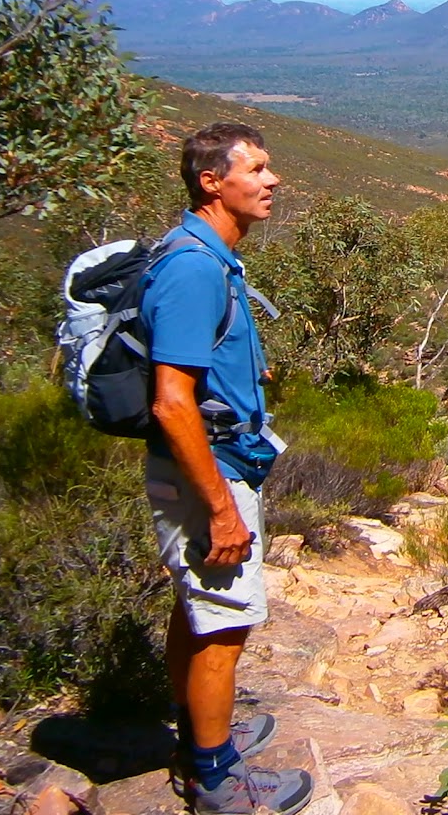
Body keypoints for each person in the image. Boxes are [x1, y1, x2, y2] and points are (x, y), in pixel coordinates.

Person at [140, 122, 312, 815]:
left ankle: (197, 733)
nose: (272, 181)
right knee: (225, 623)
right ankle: (216, 777)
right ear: (213, 182)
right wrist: (219, 507)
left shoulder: (214, 257)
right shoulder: (191, 267)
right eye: (258, 169)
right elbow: (171, 403)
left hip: (215, 461)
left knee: (200, 608)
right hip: (205, 472)